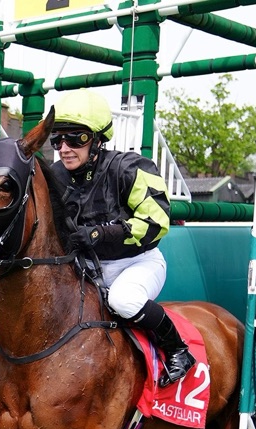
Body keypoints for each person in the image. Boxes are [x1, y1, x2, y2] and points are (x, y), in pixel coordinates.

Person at [49, 89, 193, 387]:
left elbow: (156, 222)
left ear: (98, 139)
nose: (64, 148)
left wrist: (98, 234)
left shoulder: (131, 168)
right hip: (86, 269)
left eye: (76, 138)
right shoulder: (54, 176)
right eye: (57, 139)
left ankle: (177, 349)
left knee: (123, 300)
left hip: (136, 264)